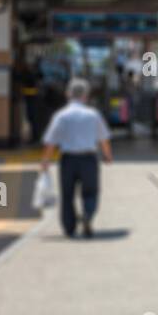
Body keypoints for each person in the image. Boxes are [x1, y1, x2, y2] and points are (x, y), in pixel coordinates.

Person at [40, 77, 112, 238]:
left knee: (67, 195)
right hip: (88, 159)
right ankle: (88, 214)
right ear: (86, 95)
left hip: (68, 160)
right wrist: (107, 155)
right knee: (91, 192)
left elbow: (51, 141)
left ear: (68, 94)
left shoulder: (61, 115)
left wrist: (45, 161)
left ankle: (69, 228)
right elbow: (103, 139)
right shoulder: (93, 114)